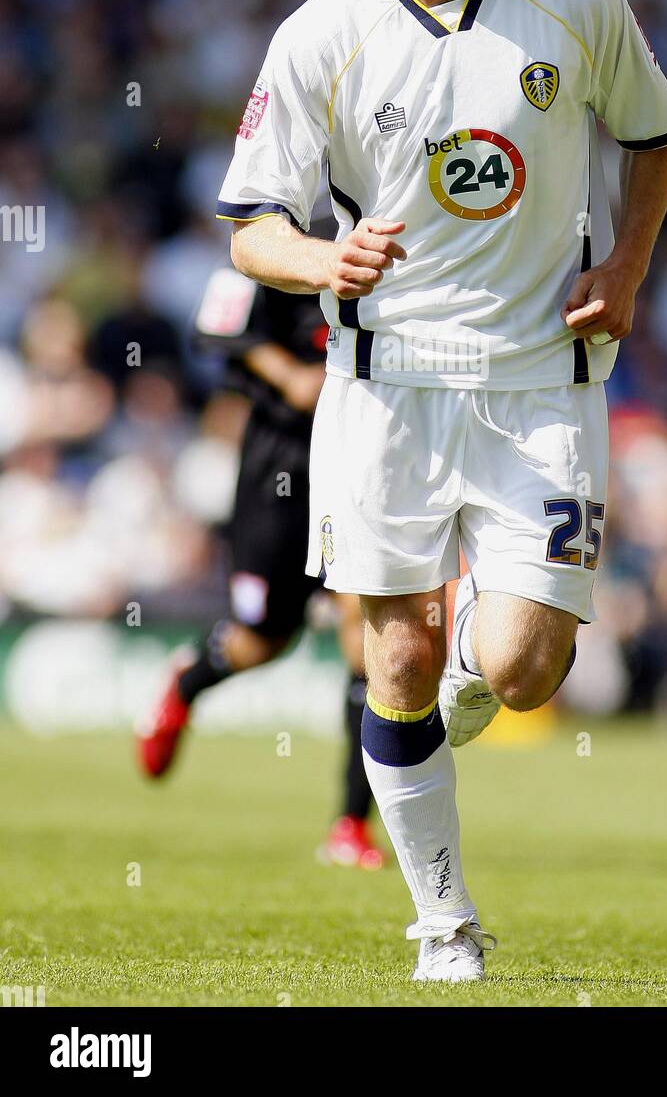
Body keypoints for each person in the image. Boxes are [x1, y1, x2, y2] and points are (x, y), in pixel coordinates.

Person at [217, 0, 667, 980]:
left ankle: (489, 637)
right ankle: (443, 923)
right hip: (383, 386)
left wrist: (625, 271)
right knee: (398, 662)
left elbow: (653, 134)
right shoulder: (323, 28)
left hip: (541, 377)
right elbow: (249, 223)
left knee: (524, 673)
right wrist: (326, 259)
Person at [136, 238, 387, 870]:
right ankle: (188, 681)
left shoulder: (393, 213)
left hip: (367, 454)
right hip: (283, 465)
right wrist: (290, 375)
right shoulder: (283, 226)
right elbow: (217, 330)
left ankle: (350, 826)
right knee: (264, 638)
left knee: (371, 638)